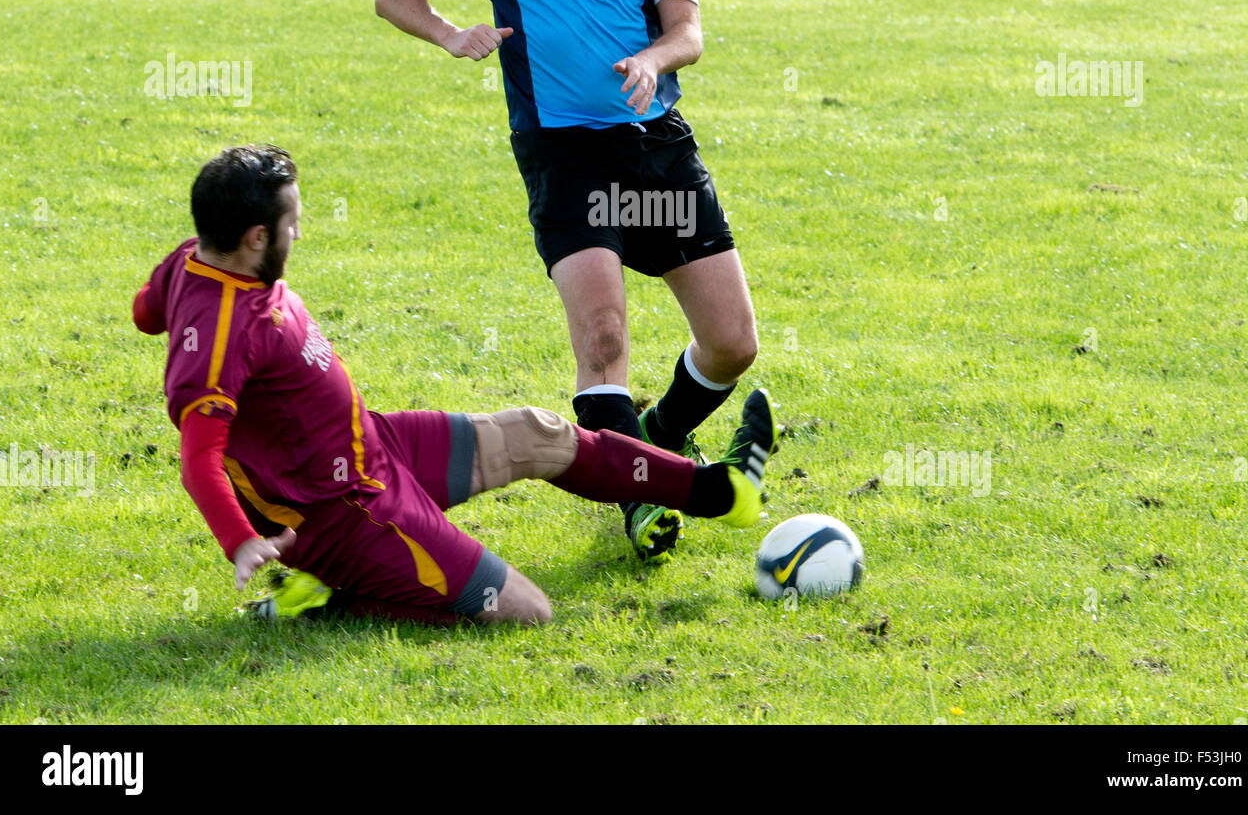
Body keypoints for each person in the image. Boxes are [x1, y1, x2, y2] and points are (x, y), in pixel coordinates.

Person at [131, 145, 777, 625]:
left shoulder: (192, 258)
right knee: (526, 610)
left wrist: (165, 310)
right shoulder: (218, 339)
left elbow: (145, 311)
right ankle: (333, 595)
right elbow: (197, 459)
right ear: (254, 237)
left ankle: (723, 491)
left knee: (538, 432)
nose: (300, 231)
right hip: (350, 514)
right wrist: (240, 540)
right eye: (292, 222)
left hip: (375, 444)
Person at [374, 0, 761, 563]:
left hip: (654, 149)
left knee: (730, 344)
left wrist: (655, 59)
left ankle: (655, 439)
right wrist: (452, 36)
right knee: (604, 334)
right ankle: (643, 500)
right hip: (565, 155)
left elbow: (688, 31)